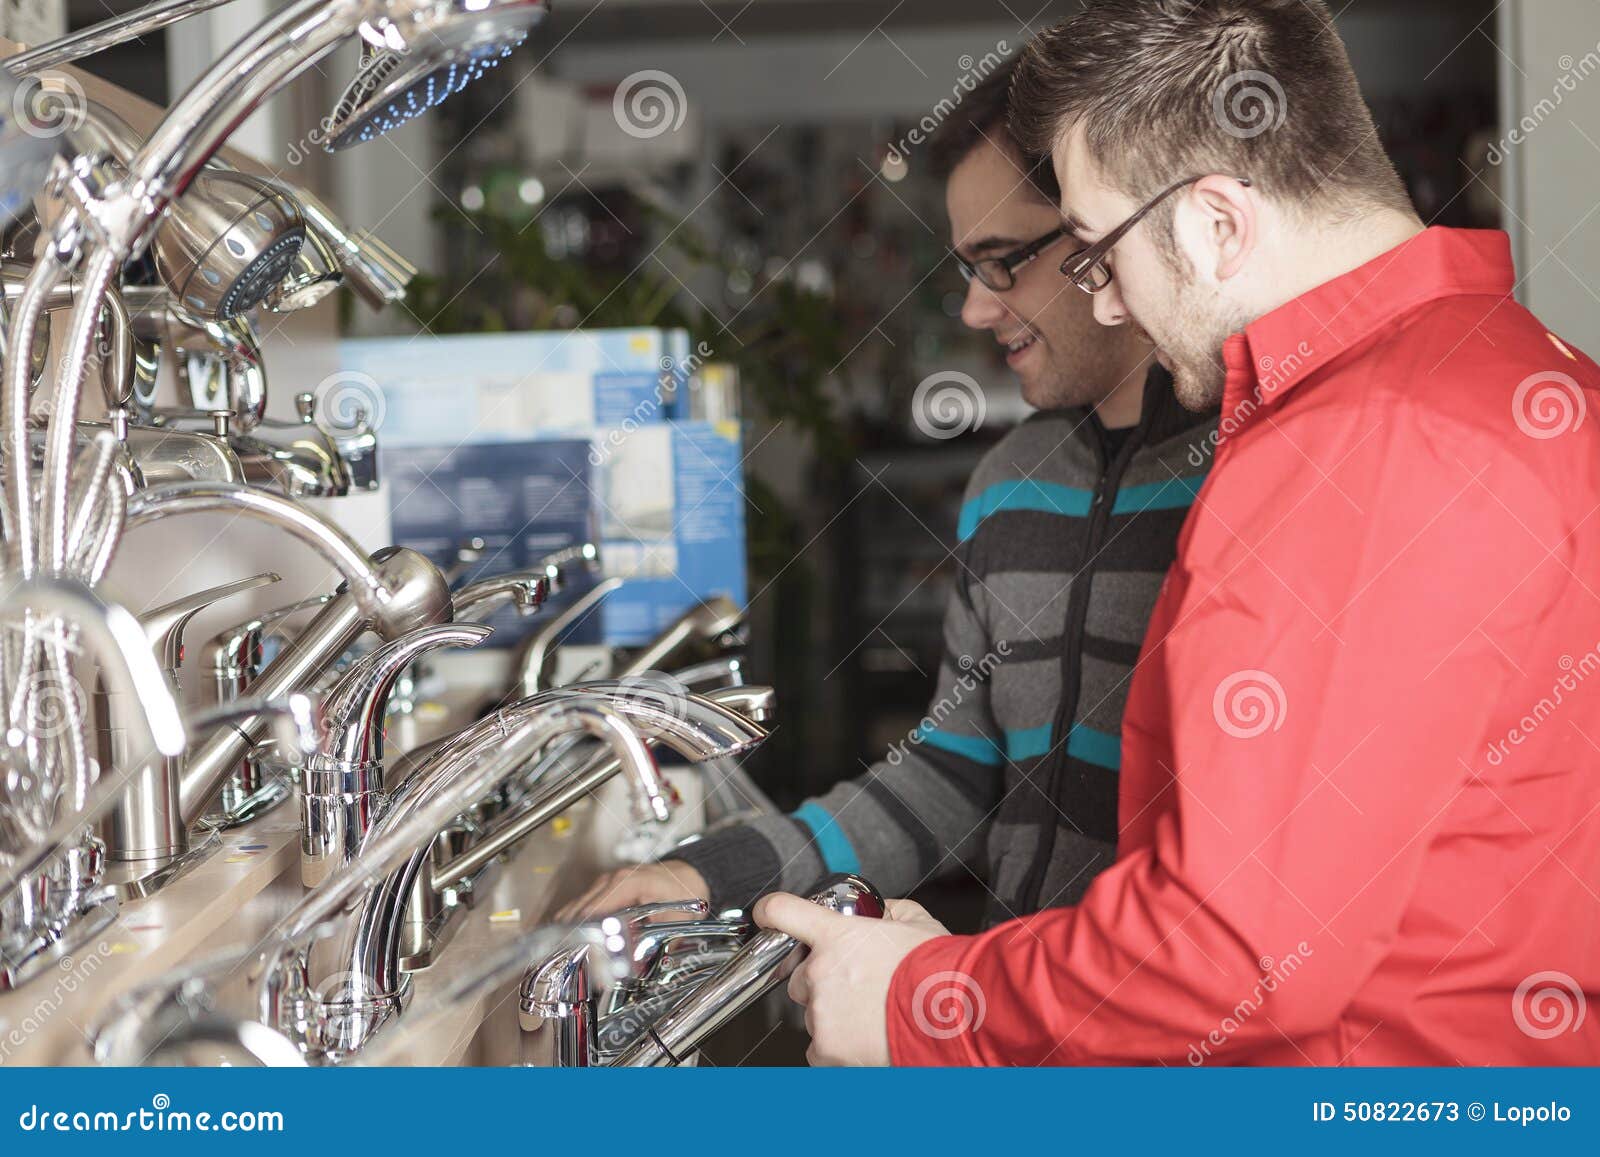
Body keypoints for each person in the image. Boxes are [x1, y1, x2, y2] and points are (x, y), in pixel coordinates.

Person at [761, 0, 1600, 1066]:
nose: (1108, 306)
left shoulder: (1356, 444)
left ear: (1215, 224)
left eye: (1099, 251)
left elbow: (1233, 949)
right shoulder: (1519, 371)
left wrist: (921, 999)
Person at [562, 60, 1217, 930]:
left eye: (1002, 262)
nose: (976, 310)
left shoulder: (1246, 477)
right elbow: (947, 776)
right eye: (967, 268)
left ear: (1107, 234)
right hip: (1017, 1007)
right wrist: (710, 874)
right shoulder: (1009, 482)